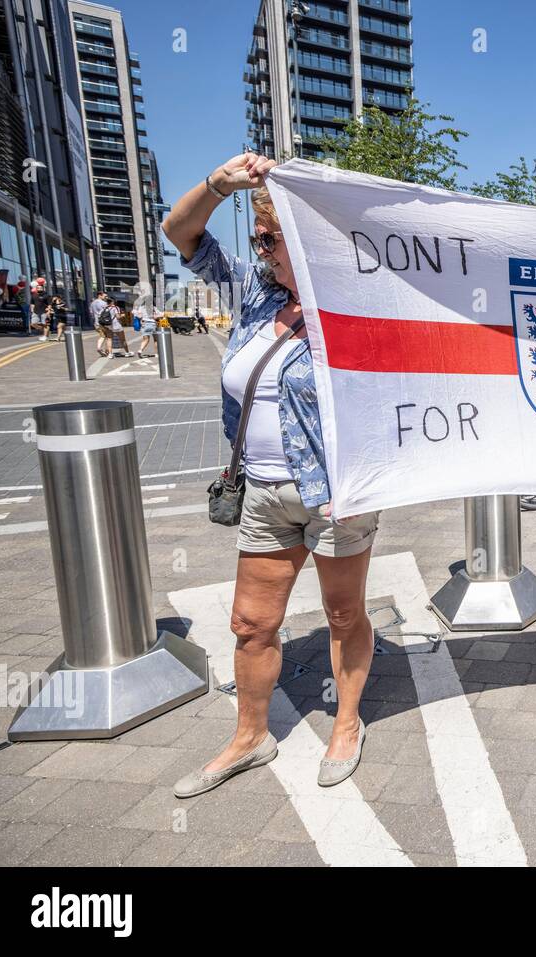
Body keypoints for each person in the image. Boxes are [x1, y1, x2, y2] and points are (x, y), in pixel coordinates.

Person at [164, 152, 381, 798]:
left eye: (272, 238)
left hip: (335, 492)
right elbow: (180, 233)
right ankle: (250, 735)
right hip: (261, 488)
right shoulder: (252, 292)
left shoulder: (352, 300)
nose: (261, 250)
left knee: (343, 614)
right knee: (250, 623)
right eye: (258, 238)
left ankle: (347, 722)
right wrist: (217, 185)